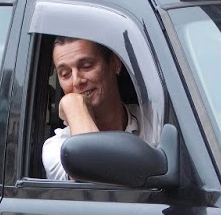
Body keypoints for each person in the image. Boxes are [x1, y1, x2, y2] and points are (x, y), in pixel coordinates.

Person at [40, 37, 153, 181]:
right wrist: (73, 105)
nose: (76, 81)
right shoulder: (58, 148)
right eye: (65, 74)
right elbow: (97, 172)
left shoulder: (153, 119)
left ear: (115, 63)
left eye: (86, 66)